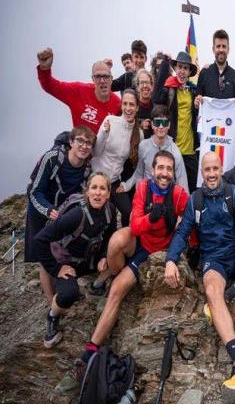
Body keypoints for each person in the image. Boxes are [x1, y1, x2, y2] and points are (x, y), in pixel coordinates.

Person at [57, 151, 189, 395]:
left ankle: (88, 354)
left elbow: (190, 225)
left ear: (173, 172)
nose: (164, 173)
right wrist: (152, 217)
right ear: (152, 170)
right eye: (160, 168)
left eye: (169, 169)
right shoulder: (143, 188)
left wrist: (178, 247)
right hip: (139, 242)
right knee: (118, 239)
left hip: (155, 252)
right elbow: (135, 225)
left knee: (117, 290)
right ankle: (112, 273)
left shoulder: (179, 194)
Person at [164, 152, 235, 401]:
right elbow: (182, 233)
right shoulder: (195, 200)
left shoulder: (232, 193)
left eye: (215, 169)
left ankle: (230, 294)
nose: (212, 174)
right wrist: (170, 260)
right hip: (213, 259)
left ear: (221, 169)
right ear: (202, 172)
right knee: (212, 291)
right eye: (207, 170)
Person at [36, 172, 116, 349]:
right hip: (67, 263)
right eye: (94, 188)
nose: (98, 193)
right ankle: (52, 316)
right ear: (87, 192)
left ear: (108, 194)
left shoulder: (110, 210)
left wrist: (104, 256)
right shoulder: (76, 215)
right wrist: (56, 269)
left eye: (102, 188)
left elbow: (109, 236)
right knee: (68, 295)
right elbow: (40, 240)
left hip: (89, 260)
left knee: (120, 255)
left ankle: (96, 285)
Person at [25, 126, 96, 308]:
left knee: (62, 249)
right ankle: (52, 304)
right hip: (41, 211)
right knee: (44, 257)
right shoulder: (53, 159)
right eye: (80, 141)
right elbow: (34, 191)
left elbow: (81, 192)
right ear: (71, 142)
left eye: (88, 143)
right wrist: (48, 209)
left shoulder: (87, 167)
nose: (84, 146)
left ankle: (63, 287)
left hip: (62, 213)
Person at [36, 48, 121, 132]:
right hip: (79, 140)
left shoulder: (118, 104)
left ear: (111, 79)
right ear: (93, 79)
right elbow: (50, 86)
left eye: (106, 76)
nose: (102, 81)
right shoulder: (78, 91)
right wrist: (44, 68)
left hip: (103, 141)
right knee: (64, 137)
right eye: (98, 77)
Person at [91, 89, 143, 227]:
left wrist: (127, 185)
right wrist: (104, 133)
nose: (128, 108)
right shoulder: (110, 121)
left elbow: (140, 167)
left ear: (137, 107)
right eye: (125, 104)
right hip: (97, 177)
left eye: (131, 104)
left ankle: (124, 239)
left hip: (114, 182)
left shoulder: (139, 133)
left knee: (128, 213)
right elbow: (95, 152)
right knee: (106, 218)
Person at [153, 51, 199, 193]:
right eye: (179, 67)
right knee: (170, 190)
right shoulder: (169, 88)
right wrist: (165, 64)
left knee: (192, 189)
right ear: (175, 68)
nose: (182, 71)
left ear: (190, 72)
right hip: (173, 147)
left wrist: (207, 71)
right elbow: (156, 98)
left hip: (190, 149)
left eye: (186, 68)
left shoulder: (193, 90)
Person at [120, 105, 189, 194]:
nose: (161, 126)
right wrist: (127, 186)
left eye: (164, 123)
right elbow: (139, 172)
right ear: (152, 125)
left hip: (166, 194)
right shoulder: (143, 146)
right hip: (147, 194)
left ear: (169, 125)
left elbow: (182, 180)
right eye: (157, 122)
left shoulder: (175, 152)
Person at [194, 29, 235, 110]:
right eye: (218, 46)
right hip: (208, 118)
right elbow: (197, 108)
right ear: (213, 49)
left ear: (228, 49)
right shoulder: (204, 73)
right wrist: (196, 104)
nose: (221, 50)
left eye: (224, 46)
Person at [134, 68, 155, 139]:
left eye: (147, 82)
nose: (145, 86)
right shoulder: (132, 108)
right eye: (142, 83)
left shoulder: (156, 108)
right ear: (137, 87)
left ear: (152, 86)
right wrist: (140, 126)